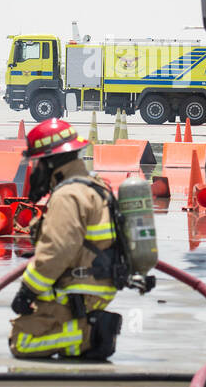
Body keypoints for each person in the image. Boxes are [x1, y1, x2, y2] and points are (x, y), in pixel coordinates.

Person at [9, 119, 123, 360]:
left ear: (51, 161)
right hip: (93, 285)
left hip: (78, 291)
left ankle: (89, 334)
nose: (35, 169)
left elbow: (57, 249)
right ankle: (85, 329)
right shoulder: (94, 185)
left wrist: (28, 290)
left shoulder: (67, 195)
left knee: (22, 341)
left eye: (38, 162)